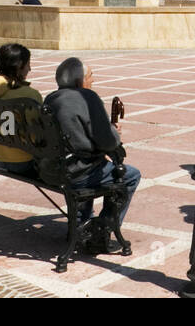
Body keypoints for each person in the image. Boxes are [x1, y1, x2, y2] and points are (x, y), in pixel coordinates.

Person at [44, 57, 140, 240]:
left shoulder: (51, 98)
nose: (93, 80)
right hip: (77, 172)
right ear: (80, 81)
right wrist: (114, 133)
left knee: (88, 161)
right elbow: (108, 143)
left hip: (51, 169)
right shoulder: (88, 98)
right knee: (130, 175)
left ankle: (80, 222)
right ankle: (101, 230)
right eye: (90, 76)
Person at [0, 44, 43, 176]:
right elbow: (40, 131)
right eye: (28, 64)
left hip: (0, 156)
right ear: (19, 65)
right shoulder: (29, 95)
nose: (30, 69)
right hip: (25, 160)